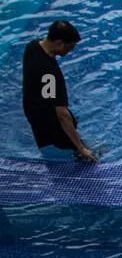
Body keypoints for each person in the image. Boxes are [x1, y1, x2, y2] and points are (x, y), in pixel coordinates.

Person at [22, 20, 98, 162]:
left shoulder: (31, 47)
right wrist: (81, 148)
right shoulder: (51, 74)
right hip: (50, 123)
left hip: (32, 111)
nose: (70, 51)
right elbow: (61, 113)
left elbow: (40, 85)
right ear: (59, 43)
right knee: (86, 158)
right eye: (70, 47)